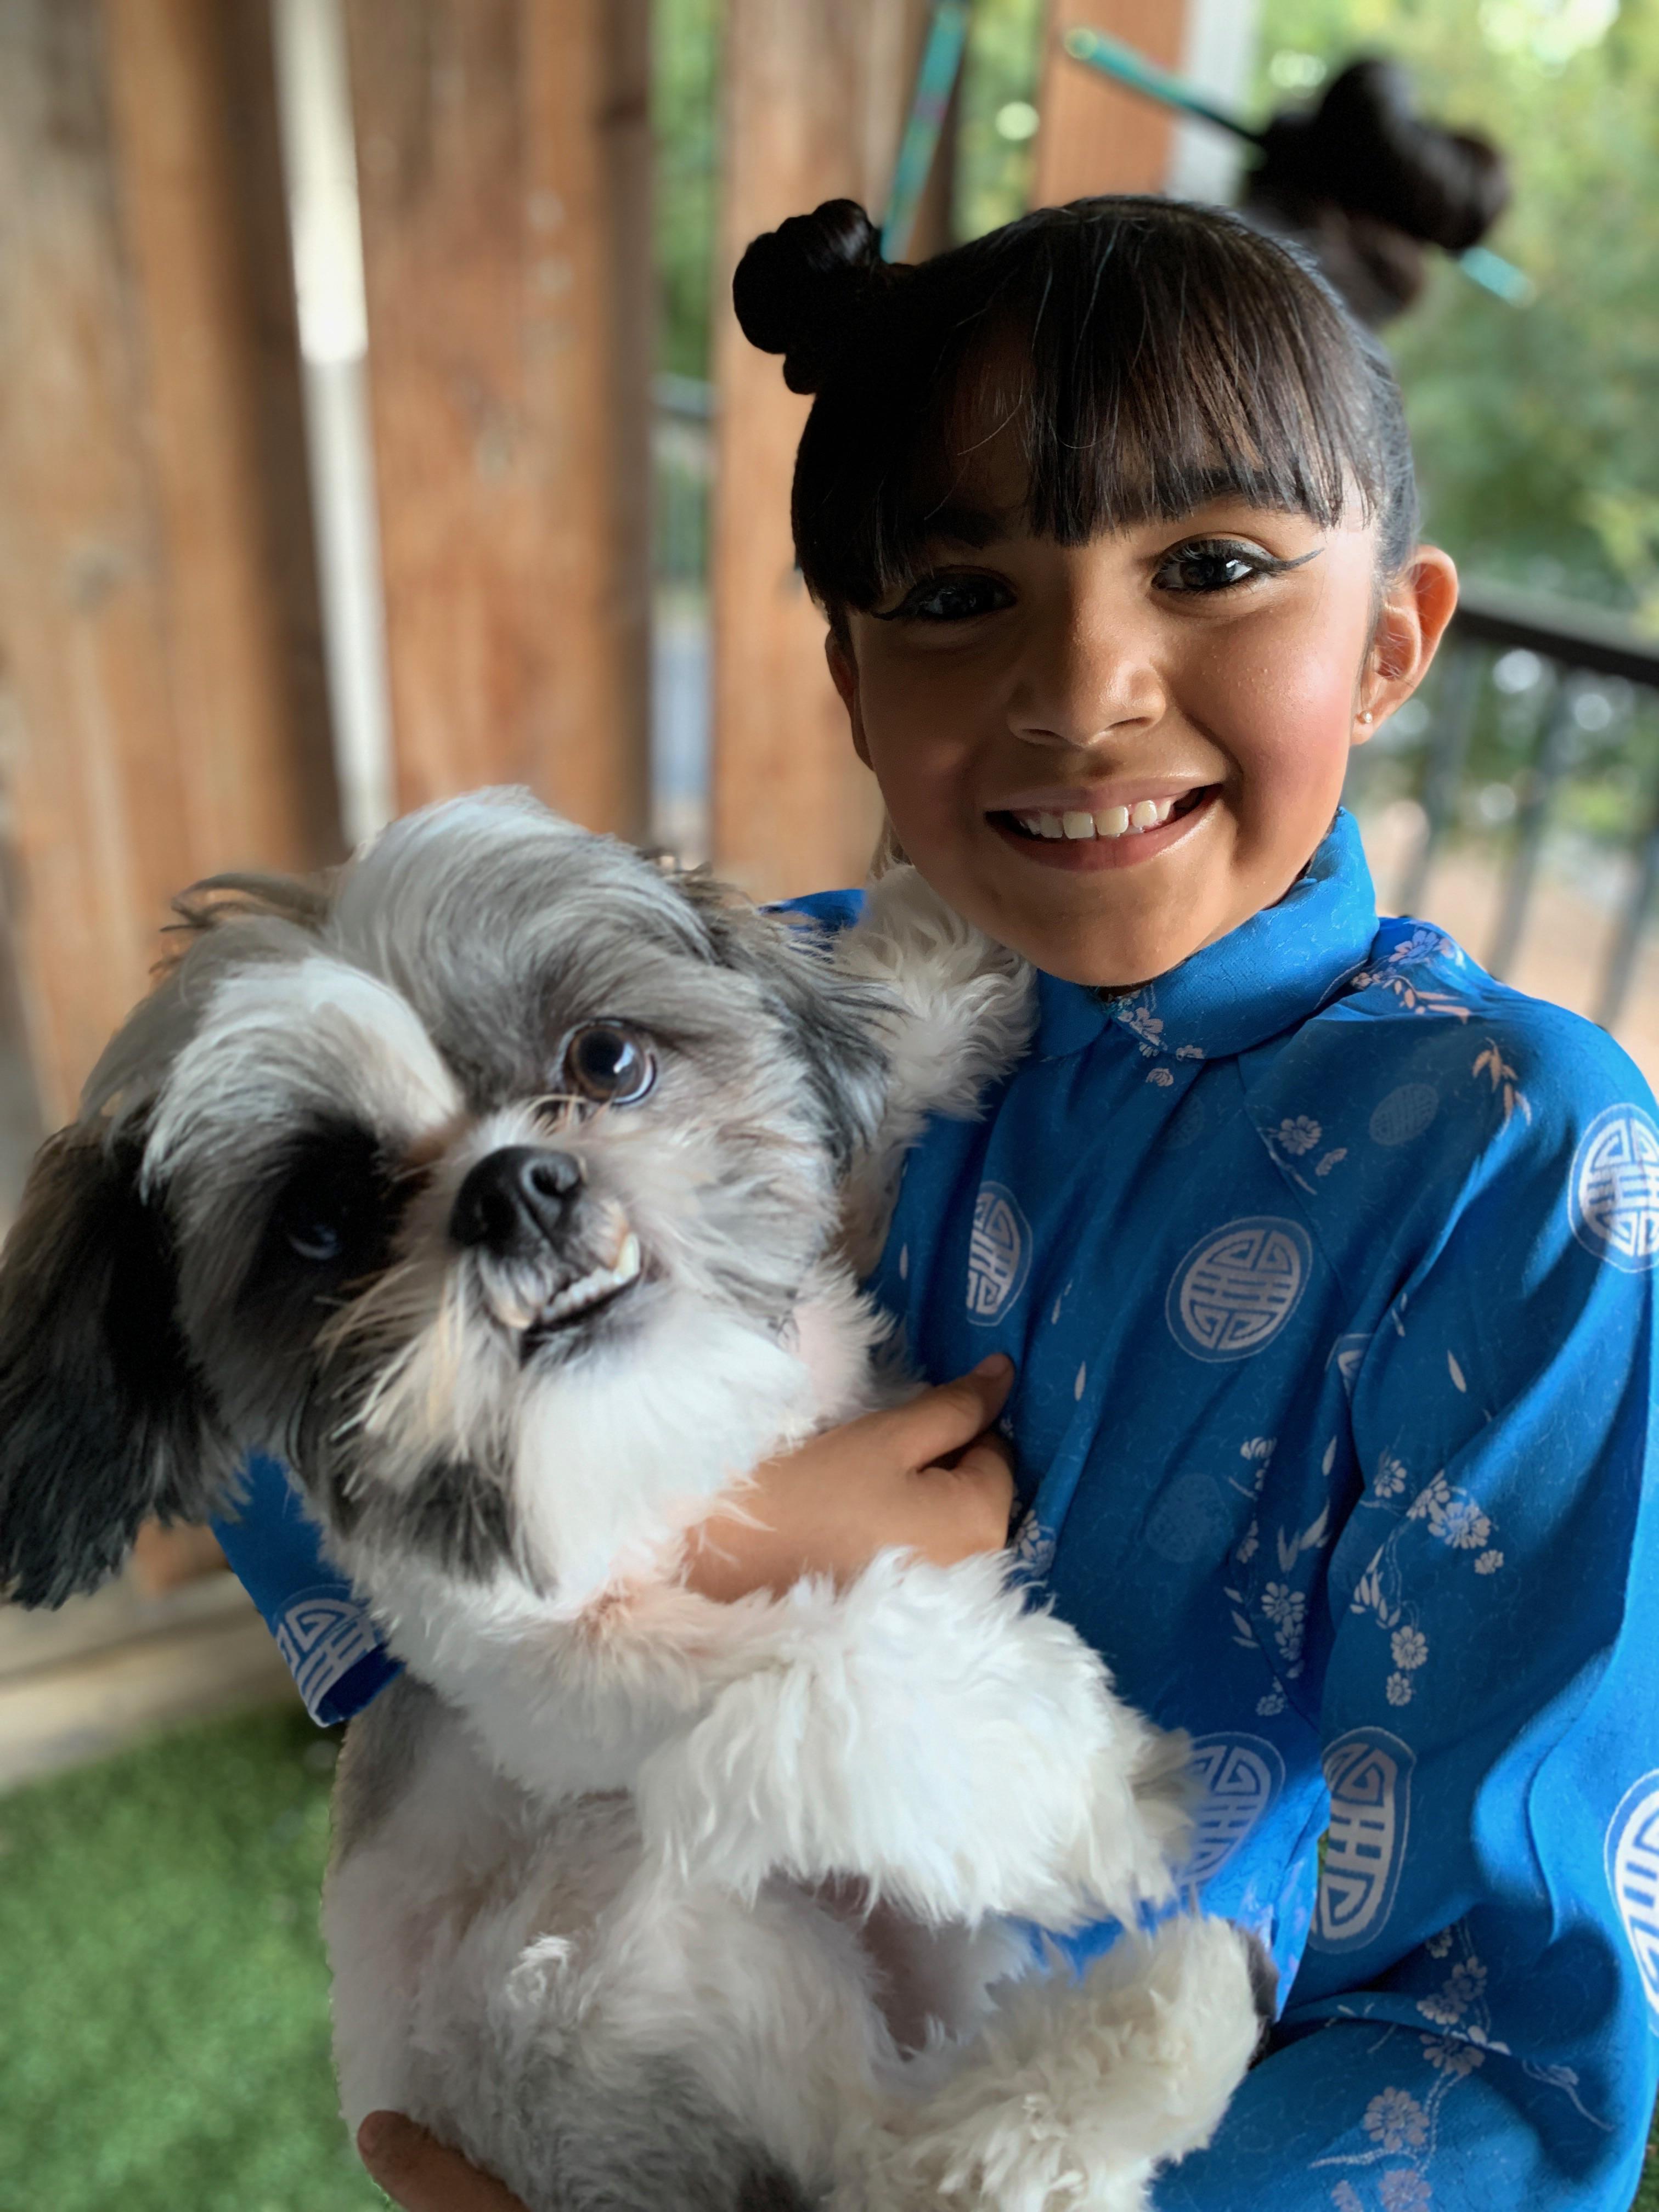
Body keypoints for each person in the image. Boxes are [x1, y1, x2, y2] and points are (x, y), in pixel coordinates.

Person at [219, 195, 1659, 2209]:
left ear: (1393, 639)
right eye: (963, 592)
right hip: (626, 2078)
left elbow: (1503, 2023)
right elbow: (261, 1369)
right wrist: (691, 1559)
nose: (1084, 686)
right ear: (852, 676)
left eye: (1212, 566)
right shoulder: (716, 1021)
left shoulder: (1514, 1155)